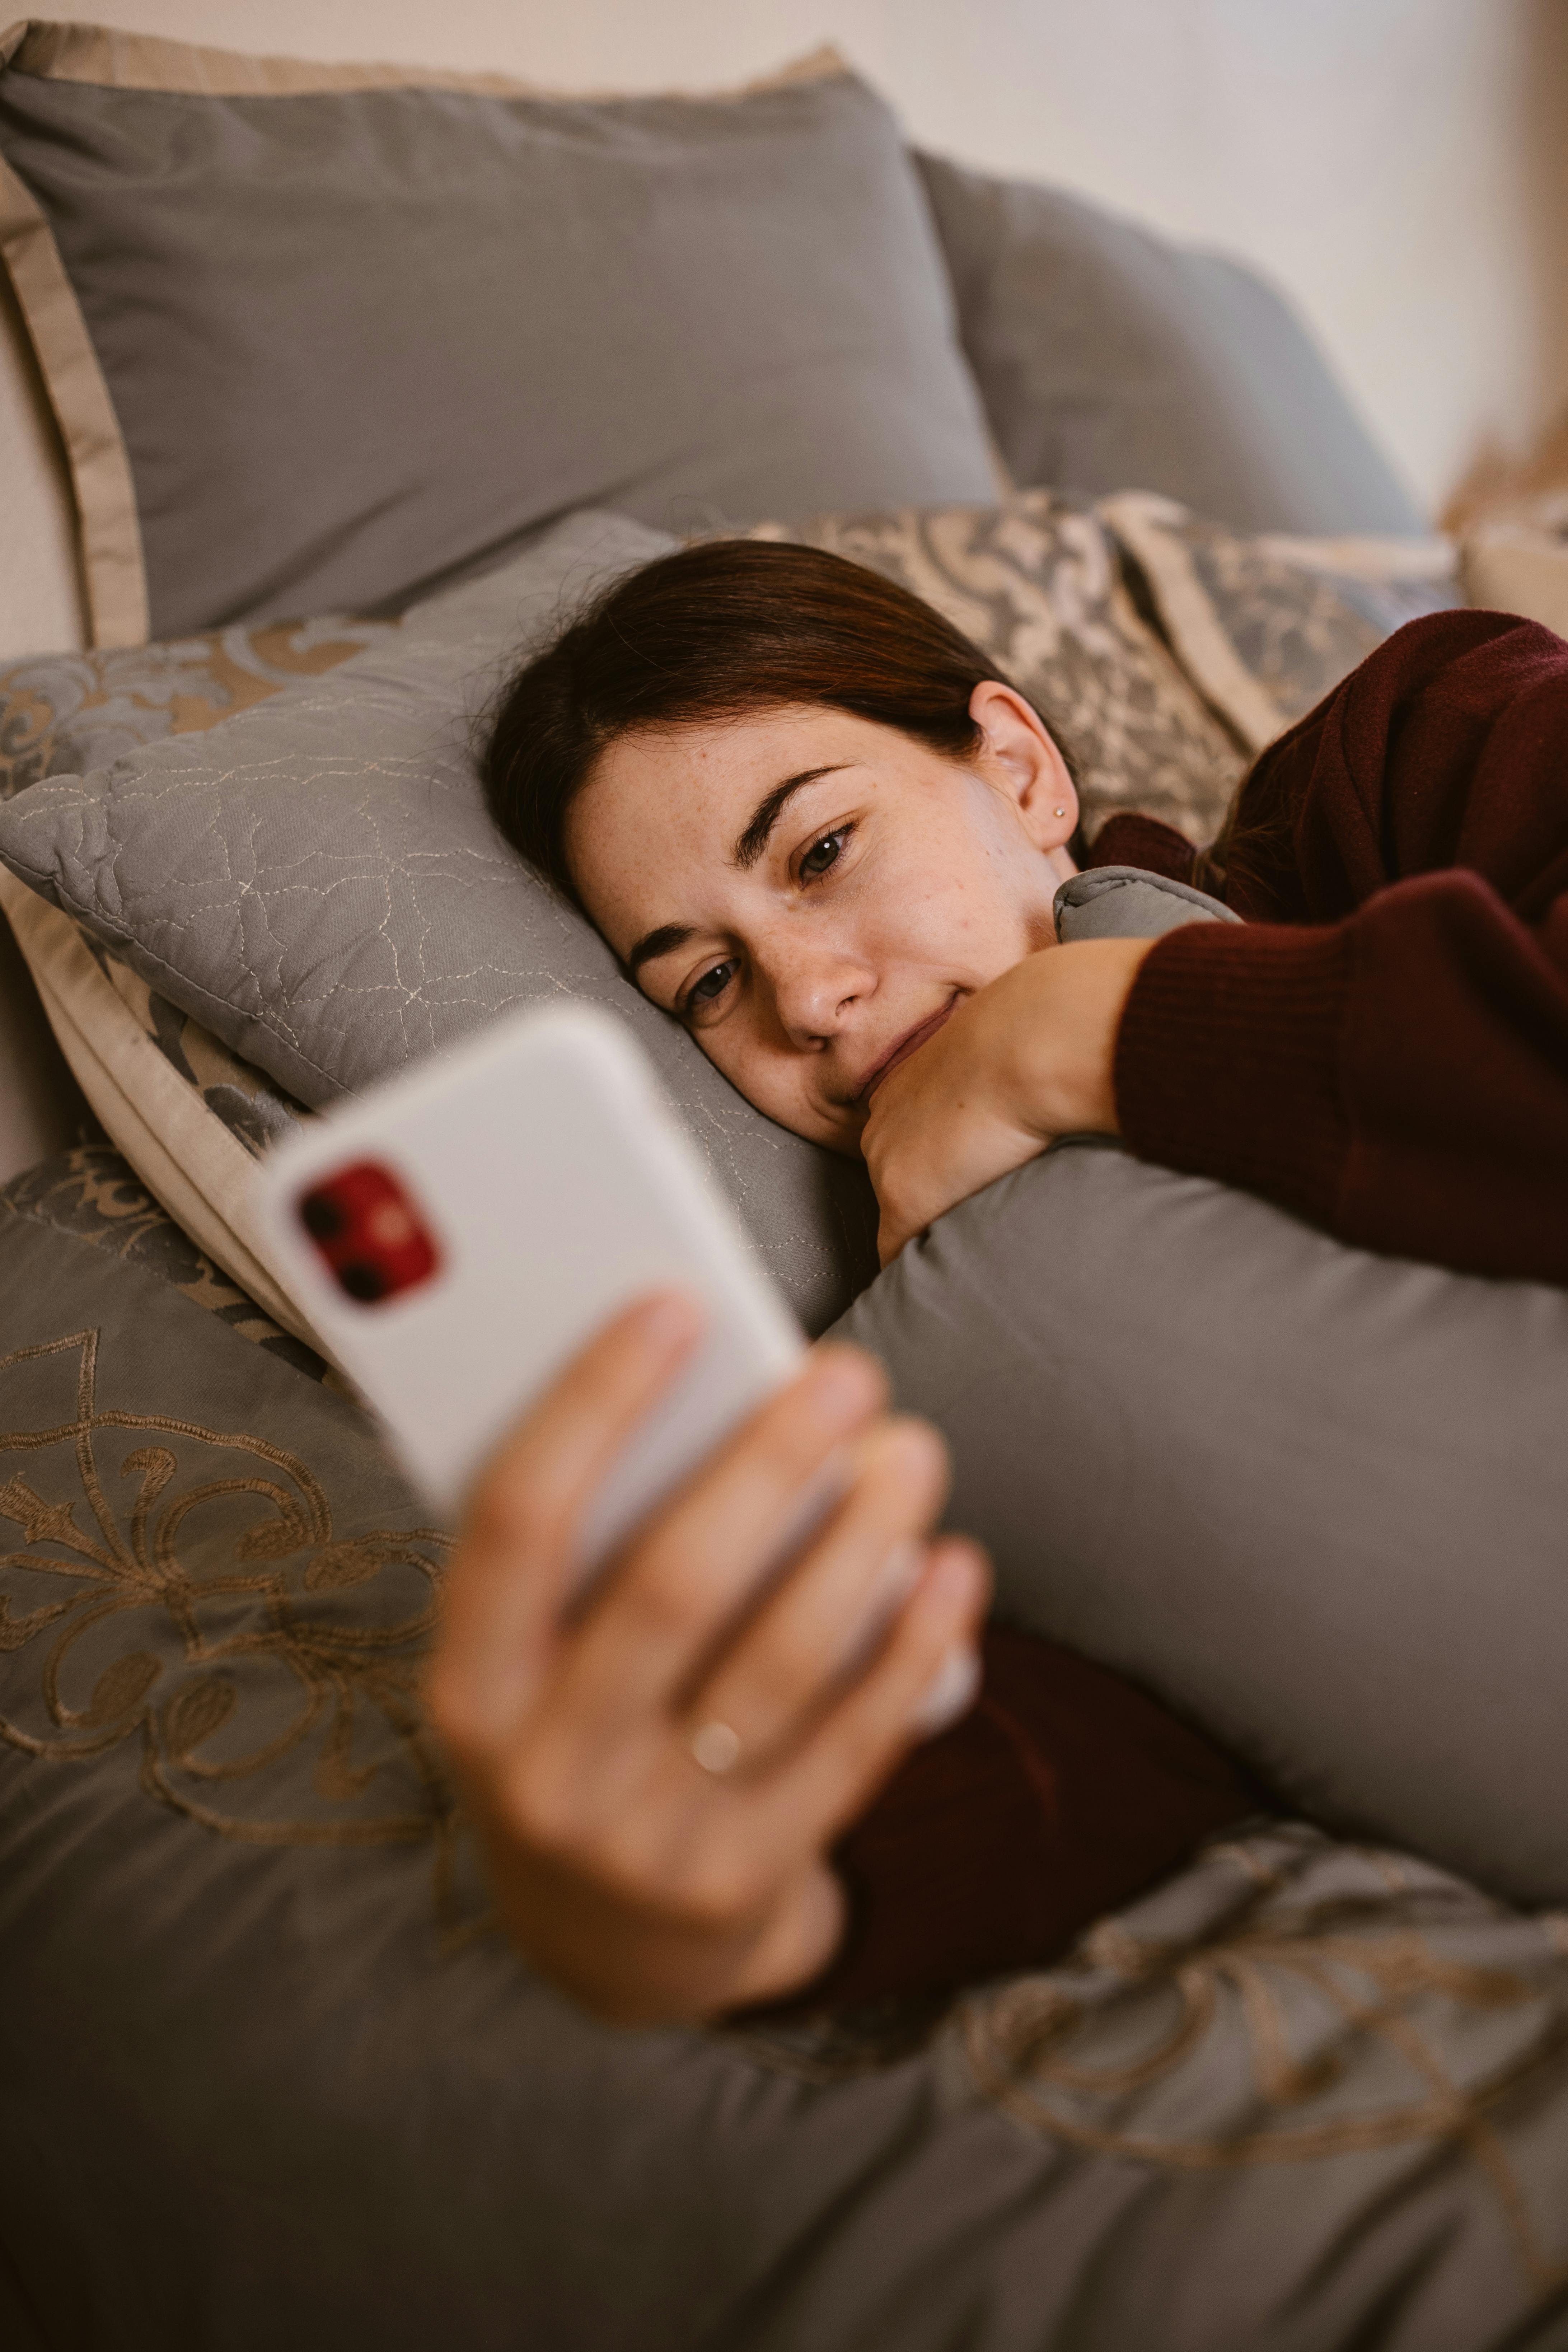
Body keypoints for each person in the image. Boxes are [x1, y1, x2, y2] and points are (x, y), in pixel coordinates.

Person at [431, 541, 1568, 2024]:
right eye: (706, 984)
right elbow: (1048, 1770)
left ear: (1022, 769)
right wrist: (704, 1917)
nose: (809, 998)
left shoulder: (1419, 739)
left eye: (823, 851)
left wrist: (1094, 1029)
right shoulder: (984, 1353)